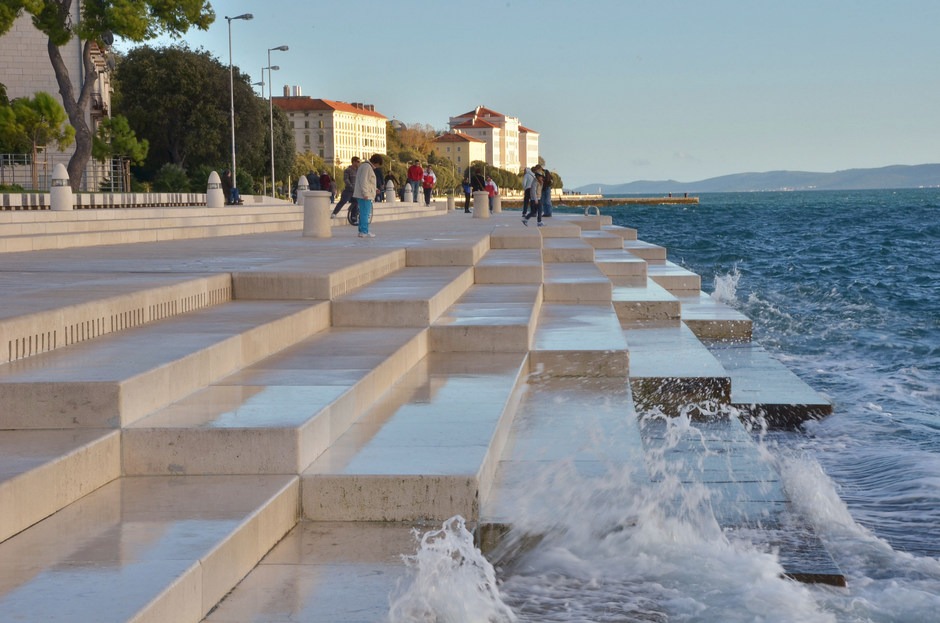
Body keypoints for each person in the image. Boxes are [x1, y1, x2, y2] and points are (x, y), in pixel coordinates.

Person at [353, 154, 383, 238]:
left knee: (364, 213)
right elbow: (364, 181)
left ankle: (362, 230)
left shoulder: (365, 166)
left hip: (365, 194)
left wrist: (375, 189)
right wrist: (365, 193)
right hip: (365, 195)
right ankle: (364, 231)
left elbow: (368, 182)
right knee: (365, 213)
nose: (377, 167)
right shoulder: (367, 167)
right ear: (376, 162)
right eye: (378, 164)